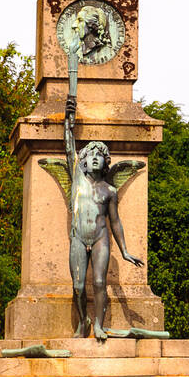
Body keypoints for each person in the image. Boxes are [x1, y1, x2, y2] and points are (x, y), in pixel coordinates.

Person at [64, 92, 143, 340]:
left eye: (99, 155)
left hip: (100, 238)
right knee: (78, 286)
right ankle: (83, 322)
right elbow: (68, 146)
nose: (95, 158)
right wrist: (68, 120)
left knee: (99, 283)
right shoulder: (77, 178)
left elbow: (115, 221)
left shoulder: (109, 190)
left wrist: (125, 250)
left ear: (105, 161)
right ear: (84, 162)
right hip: (78, 237)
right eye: (91, 155)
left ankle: (98, 324)